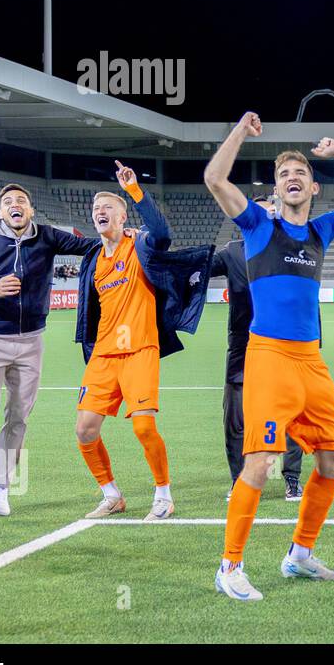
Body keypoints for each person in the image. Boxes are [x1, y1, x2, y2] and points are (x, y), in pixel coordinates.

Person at [206, 113, 334, 600]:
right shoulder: (257, 226)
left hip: (311, 361)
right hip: (267, 356)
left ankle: (300, 555)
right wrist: (242, 132)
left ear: (313, 188)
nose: (292, 179)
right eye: (284, 175)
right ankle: (229, 566)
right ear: (275, 188)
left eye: (301, 174)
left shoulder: (322, 230)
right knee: (262, 461)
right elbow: (214, 178)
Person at [0, 183, 101, 520]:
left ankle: (0, 487)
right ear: (0, 211)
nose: (15, 205)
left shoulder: (47, 236)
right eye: (8, 202)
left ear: (31, 210)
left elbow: (90, 246)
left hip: (31, 341)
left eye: (21, 201)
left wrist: (120, 233)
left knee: (18, 417)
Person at [74, 161, 214, 521]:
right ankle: (111, 495)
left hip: (139, 350)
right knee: (84, 429)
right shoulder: (93, 259)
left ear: (123, 218)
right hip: (104, 356)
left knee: (143, 426)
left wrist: (135, 191)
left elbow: (163, 232)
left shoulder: (140, 246)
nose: (100, 213)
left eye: (108, 208)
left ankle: (164, 495)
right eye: (95, 210)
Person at [209, 195, 307, 500]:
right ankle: (239, 479)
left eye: (272, 213)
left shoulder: (292, 249)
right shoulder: (233, 251)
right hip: (242, 350)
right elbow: (197, 267)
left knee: (290, 417)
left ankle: (291, 478)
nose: (268, 217)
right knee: (235, 419)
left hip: (284, 348)